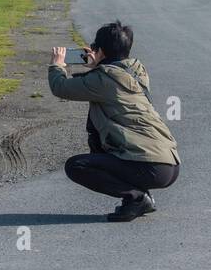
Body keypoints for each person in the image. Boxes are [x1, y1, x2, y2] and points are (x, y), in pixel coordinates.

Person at [48, 20, 179, 221]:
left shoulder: (104, 79)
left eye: (94, 48)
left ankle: (137, 198)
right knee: (100, 144)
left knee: (76, 166)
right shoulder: (136, 71)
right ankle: (137, 198)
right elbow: (108, 79)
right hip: (168, 165)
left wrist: (57, 65)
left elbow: (61, 87)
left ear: (100, 50)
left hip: (150, 166)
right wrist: (98, 63)